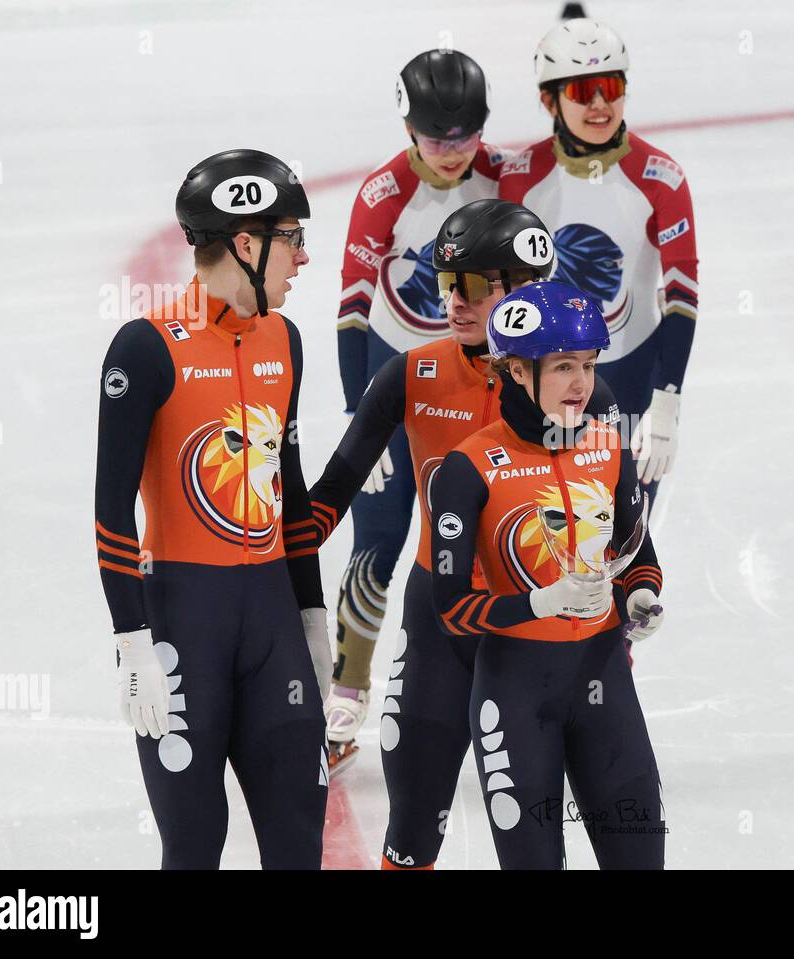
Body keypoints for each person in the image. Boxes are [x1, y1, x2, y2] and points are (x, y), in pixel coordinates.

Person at [309, 201, 620, 867]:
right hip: (443, 622)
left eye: (476, 286)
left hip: (542, 630)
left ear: (526, 285)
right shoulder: (412, 374)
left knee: (541, 838)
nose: (455, 302)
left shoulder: (584, 391)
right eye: (449, 285)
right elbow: (328, 497)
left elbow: (619, 521)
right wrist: (260, 560)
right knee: (413, 826)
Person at [95, 149, 332, 869]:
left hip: (271, 625)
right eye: (293, 238)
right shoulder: (145, 347)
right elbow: (110, 509)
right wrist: (132, 637)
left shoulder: (284, 340)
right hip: (181, 631)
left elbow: (286, 491)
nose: (304, 257)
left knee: (297, 837)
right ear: (247, 243)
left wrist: (312, 615)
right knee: (194, 844)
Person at [428, 281, 666, 869]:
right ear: (514, 370)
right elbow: (450, 608)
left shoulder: (608, 444)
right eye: (563, 366)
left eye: (587, 364)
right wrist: (539, 603)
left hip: (605, 683)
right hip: (515, 696)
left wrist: (639, 595)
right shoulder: (468, 467)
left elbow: (637, 549)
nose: (582, 383)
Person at [331, 48, 505, 737]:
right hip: (399, 377)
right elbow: (349, 309)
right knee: (378, 531)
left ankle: (499, 665)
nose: (455, 153)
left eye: (467, 137)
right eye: (439, 140)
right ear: (408, 131)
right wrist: (357, 415)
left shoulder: (505, 177)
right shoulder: (382, 194)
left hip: (480, 375)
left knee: (487, 523)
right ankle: (349, 683)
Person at [499, 17, 698, 506]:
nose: (600, 105)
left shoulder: (661, 179)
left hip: (633, 373)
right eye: (583, 91)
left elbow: (682, 297)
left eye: (611, 88)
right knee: (542, 529)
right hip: (540, 375)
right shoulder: (521, 178)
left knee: (622, 538)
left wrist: (668, 400)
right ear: (550, 100)